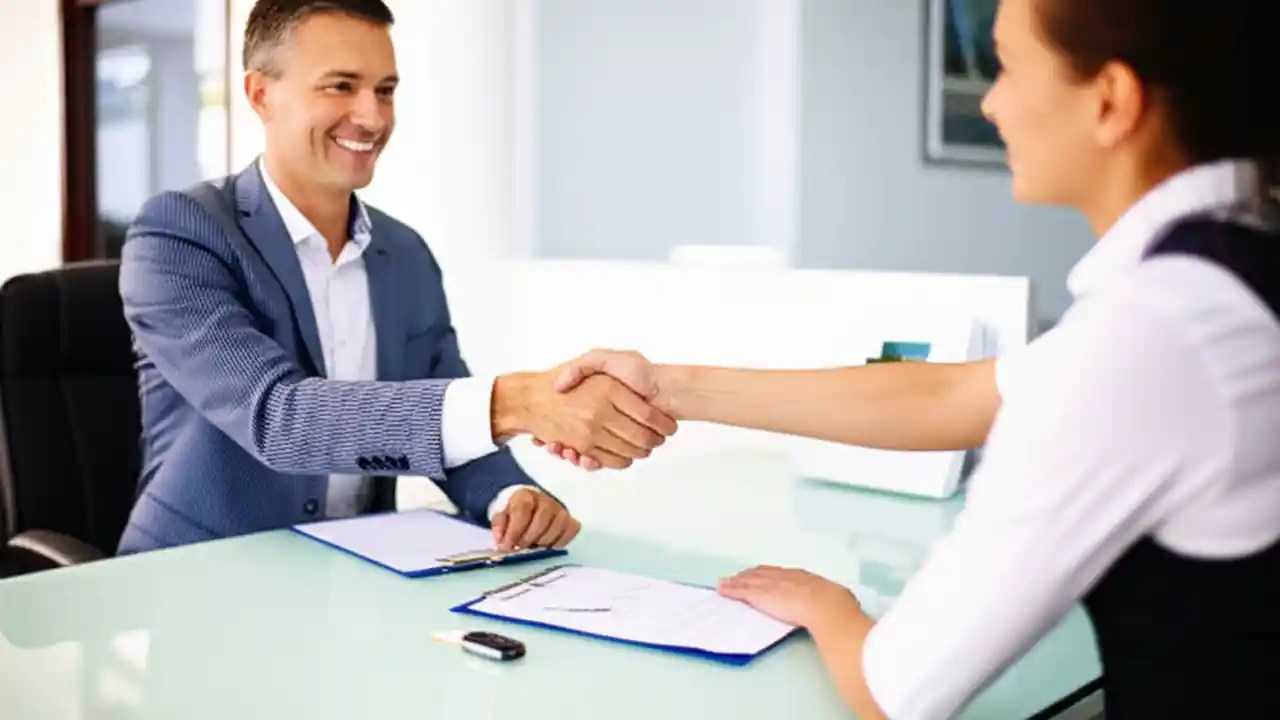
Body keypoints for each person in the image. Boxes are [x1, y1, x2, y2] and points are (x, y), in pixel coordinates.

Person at [539, 0, 1280, 717]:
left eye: (1008, 67)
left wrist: (828, 606)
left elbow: (898, 689)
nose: (991, 103)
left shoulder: (1150, 340)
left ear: (1110, 101)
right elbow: (949, 399)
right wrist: (666, 386)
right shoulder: (1215, 287)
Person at [116, 0, 676, 557]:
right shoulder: (180, 232)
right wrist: (515, 402)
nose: (373, 118)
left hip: (354, 569)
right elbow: (277, 418)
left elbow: (442, 401)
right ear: (261, 94)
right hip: (197, 569)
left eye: (385, 91)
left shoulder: (404, 253)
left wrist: (509, 495)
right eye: (341, 86)